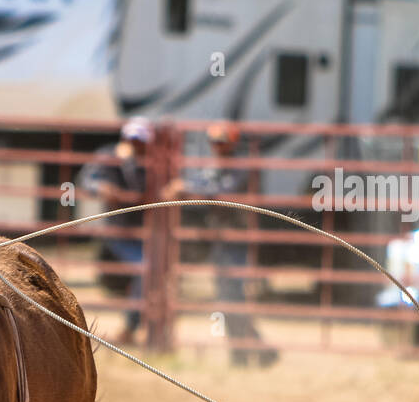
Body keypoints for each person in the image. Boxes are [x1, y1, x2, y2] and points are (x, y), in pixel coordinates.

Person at [180, 123, 276, 367]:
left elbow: (222, 192)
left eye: (222, 142)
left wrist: (187, 189)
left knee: (231, 297)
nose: (218, 147)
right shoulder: (219, 168)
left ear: (232, 143)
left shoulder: (240, 168)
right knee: (229, 298)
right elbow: (206, 186)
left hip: (237, 239)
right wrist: (189, 188)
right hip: (223, 239)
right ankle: (254, 349)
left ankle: (246, 351)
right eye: (215, 142)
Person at [79, 117, 165, 344]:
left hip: (146, 232)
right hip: (118, 231)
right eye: (132, 139)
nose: (135, 144)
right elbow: (87, 179)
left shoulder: (153, 163)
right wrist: (102, 188)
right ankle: (131, 326)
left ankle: (143, 326)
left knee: (152, 271)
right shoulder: (110, 156)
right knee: (145, 269)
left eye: (140, 141)